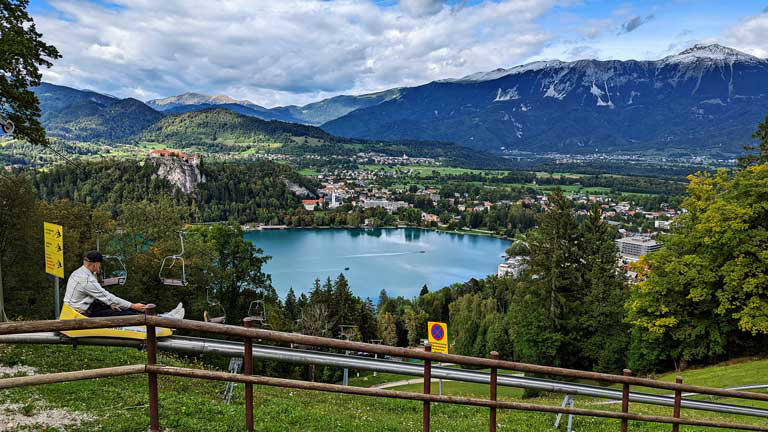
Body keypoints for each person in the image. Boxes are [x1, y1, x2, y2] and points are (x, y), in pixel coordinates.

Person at [63, 251, 146, 317]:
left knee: (116, 306)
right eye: (100, 264)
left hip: (73, 308)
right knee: (126, 314)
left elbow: (98, 290)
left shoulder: (78, 272)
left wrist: (111, 304)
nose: (100, 266)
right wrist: (133, 306)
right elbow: (107, 296)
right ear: (95, 264)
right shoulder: (87, 280)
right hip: (80, 313)